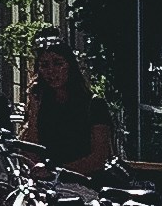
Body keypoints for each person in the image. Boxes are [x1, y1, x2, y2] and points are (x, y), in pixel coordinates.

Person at [26, 42, 116, 175]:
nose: (51, 71)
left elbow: (99, 157)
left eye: (58, 63)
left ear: (69, 66)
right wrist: (33, 111)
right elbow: (30, 150)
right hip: (48, 185)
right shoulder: (42, 106)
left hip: (85, 182)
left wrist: (57, 172)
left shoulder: (94, 105)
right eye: (44, 66)